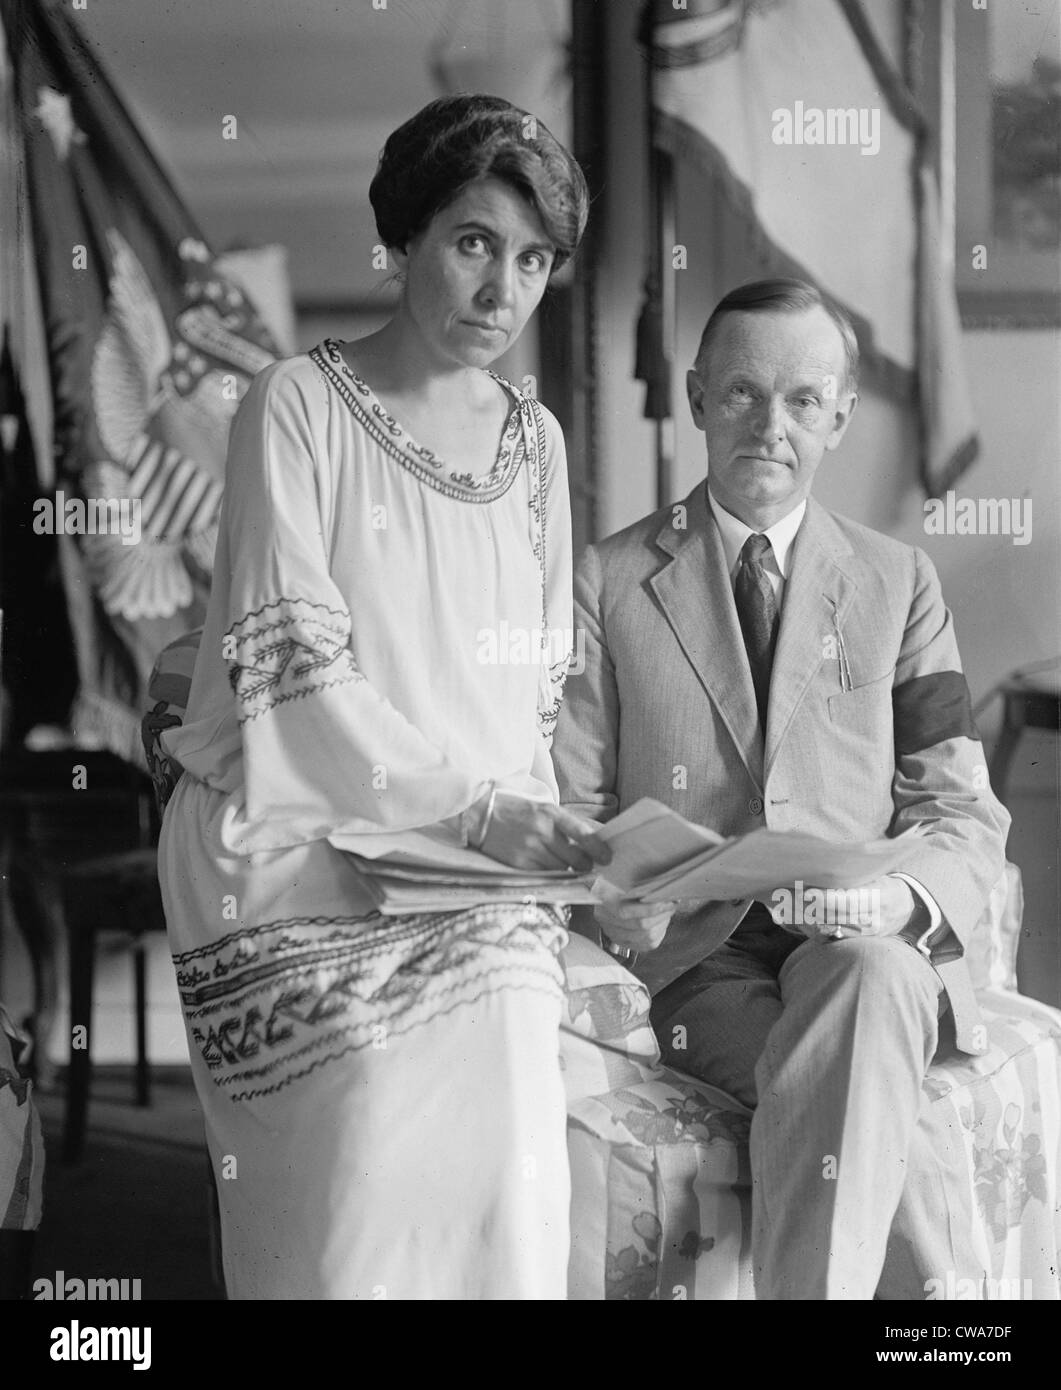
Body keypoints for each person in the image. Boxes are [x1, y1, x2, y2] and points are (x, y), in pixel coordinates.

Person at [157, 94, 609, 1300]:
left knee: (513, 1092)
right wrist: (467, 814)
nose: (500, 288)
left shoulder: (537, 442)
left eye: (531, 261)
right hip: (291, 831)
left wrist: (534, 836)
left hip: (468, 853)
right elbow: (293, 675)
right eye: (472, 243)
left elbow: (532, 681)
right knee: (370, 1151)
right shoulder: (294, 407)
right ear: (403, 241)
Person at [551, 278, 1011, 1300]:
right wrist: (610, 889)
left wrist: (897, 900)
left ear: (838, 417)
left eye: (802, 400)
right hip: (697, 957)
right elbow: (572, 809)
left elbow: (957, 804)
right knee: (856, 1082)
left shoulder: (899, 584)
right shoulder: (605, 580)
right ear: (696, 396)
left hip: (863, 933)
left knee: (878, 975)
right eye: (742, 394)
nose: (770, 424)